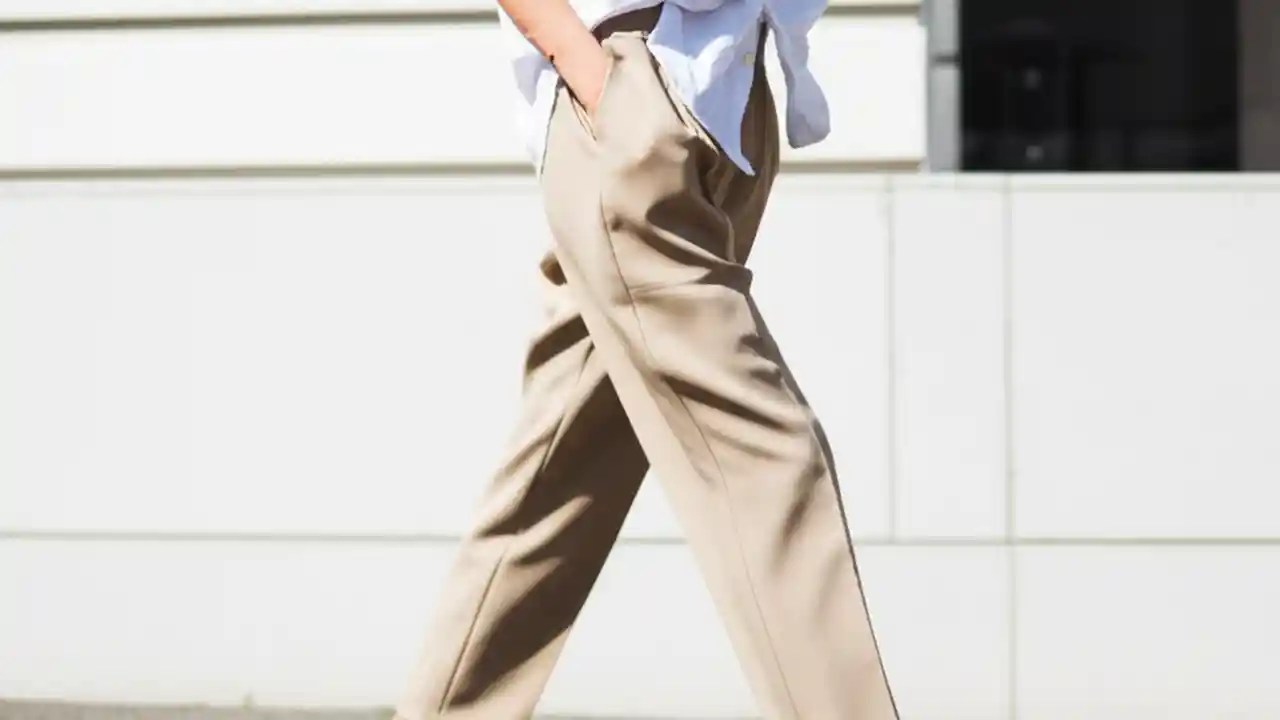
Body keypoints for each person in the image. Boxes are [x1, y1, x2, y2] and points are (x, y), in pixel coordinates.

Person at [390, 1, 901, 718]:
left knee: (558, 475)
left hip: (723, 100)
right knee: (772, 456)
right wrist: (594, 74)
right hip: (637, 95)